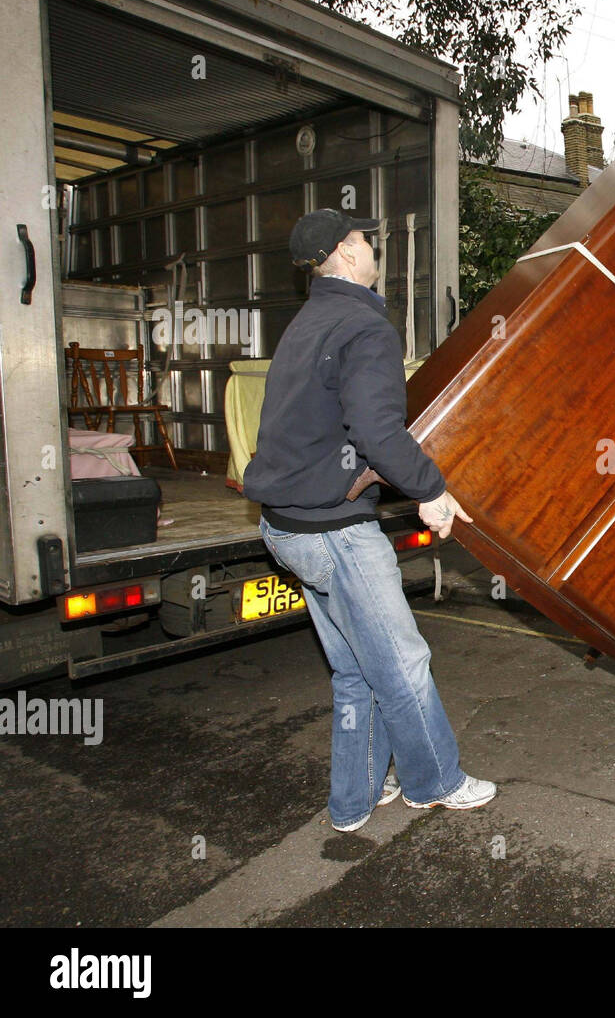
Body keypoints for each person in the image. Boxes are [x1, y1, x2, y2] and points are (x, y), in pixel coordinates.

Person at [243, 207, 494, 832]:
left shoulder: (306, 322)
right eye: (363, 239)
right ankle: (435, 781)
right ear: (348, 253)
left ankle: (355, 799)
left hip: (287, 526)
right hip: (336, 534)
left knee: (358, 670)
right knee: (402, 663)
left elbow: (323, 424)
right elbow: (376, 430)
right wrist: (430, 490)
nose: (371, 248)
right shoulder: (365, 325)